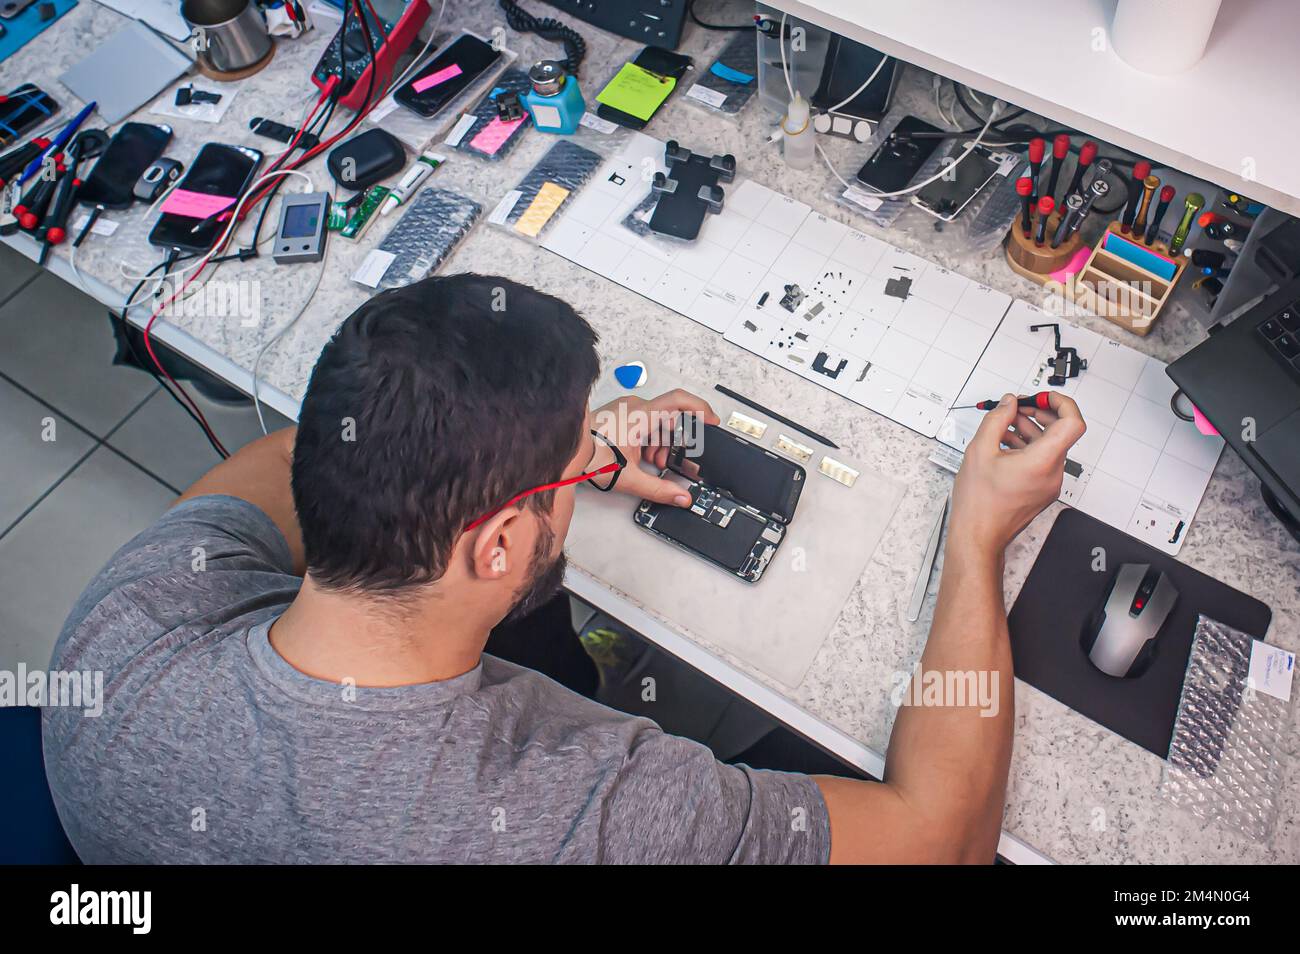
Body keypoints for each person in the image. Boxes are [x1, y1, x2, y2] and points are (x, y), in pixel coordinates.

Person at [43, 274, 1084, 864]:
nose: (590, 466)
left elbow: (293, 452)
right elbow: (944, 838)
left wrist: (542, 458)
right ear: (493, 544)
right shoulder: (590, 814)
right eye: (564, 475)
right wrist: (977, 534)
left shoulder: (128, 625)